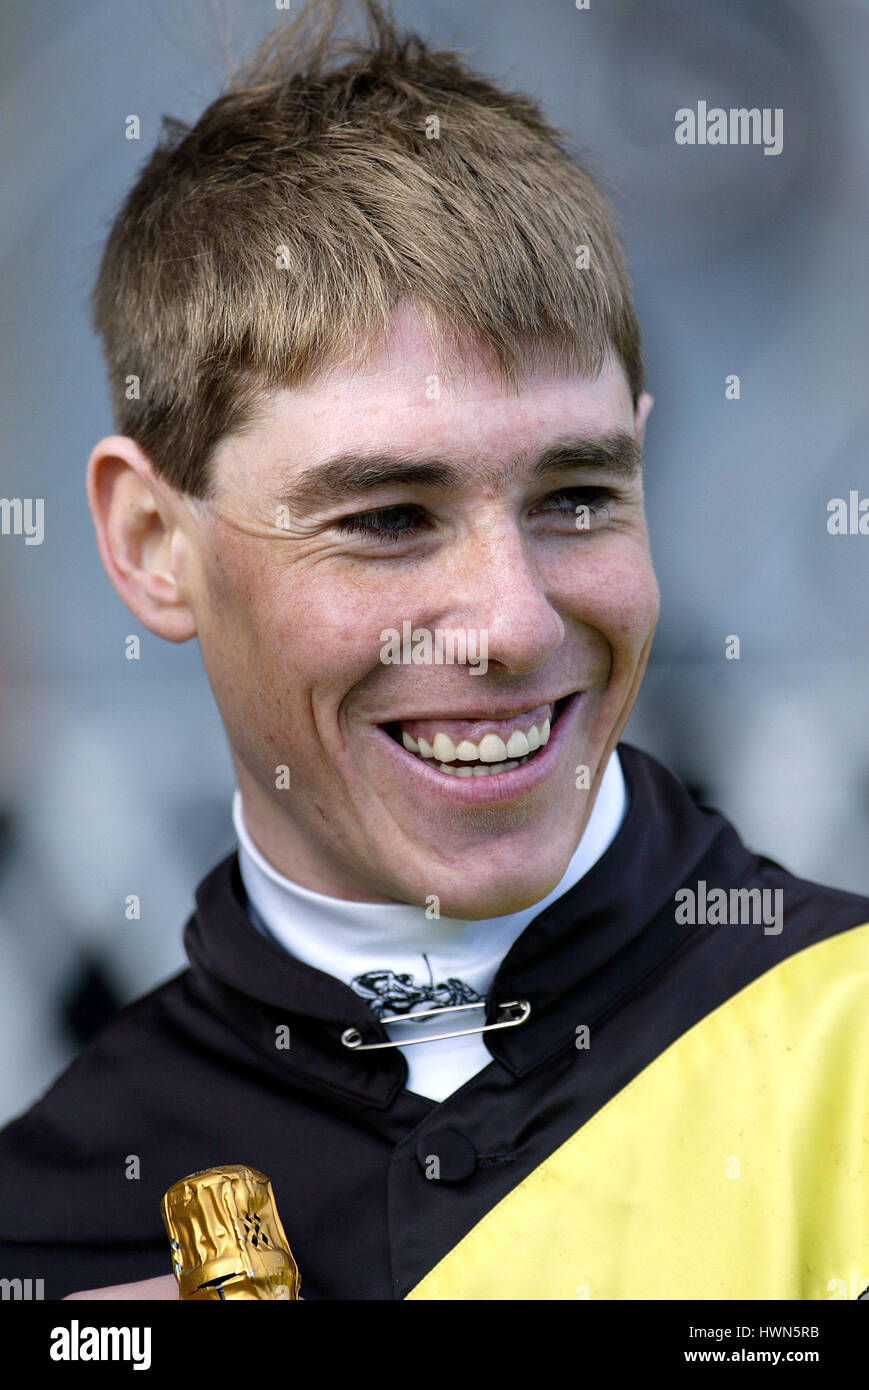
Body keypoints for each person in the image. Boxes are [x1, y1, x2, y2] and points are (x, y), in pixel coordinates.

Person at [1, 0, 867, 1302]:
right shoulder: (54, 1223)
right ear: (148, 541)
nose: (513, 621)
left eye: (575, 495)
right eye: (388, 517)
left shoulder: (843, 1058)